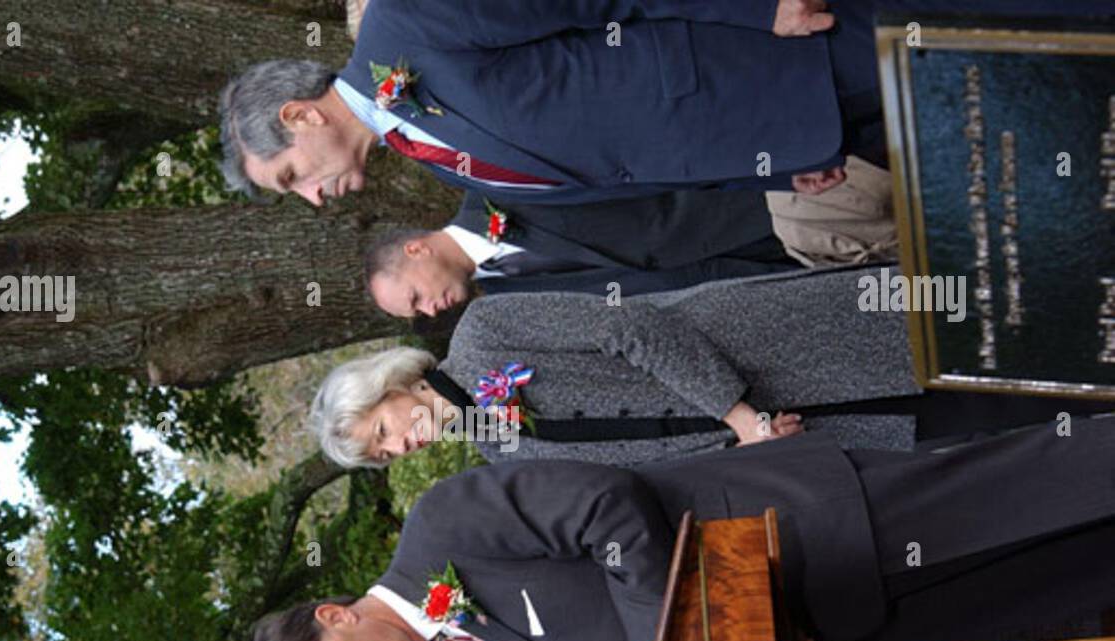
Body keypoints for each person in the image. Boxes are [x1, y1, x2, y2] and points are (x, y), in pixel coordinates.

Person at [252, 417, 1115, 641]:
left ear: (335, 615)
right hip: (826, 638)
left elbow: (606, 506)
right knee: (1063, 592)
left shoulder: (441, 522)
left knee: (1042, 485)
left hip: (811, 529)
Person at [218, 1, 1114, 206]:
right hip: (766, 124)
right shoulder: (424, 151)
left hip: (759, 47)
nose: (312, 195)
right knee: (1003, 93)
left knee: (978, 21)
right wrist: (759, 161)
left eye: (291, 176)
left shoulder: (404, 26)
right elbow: (621, 164)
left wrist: (753, 3)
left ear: (299, 117)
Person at [311, 267, 1107, 468]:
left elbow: (627, 326)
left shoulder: (484, 329)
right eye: (381, 455)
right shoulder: (496, 451)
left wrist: (736, 415)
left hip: (765, 343)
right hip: (789, 429)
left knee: (978, 323)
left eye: (381, 430)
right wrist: (751, 444)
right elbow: (647, 464)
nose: (397, 446)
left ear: (393, 386)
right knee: (988, 420)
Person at [365, 189, 800, 318]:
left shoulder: (495, 189)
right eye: (419, 313)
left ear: (416, 249)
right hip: (748, 287)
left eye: (416, 298)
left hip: (736, 208)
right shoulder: (507, 304)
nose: (429, 311)